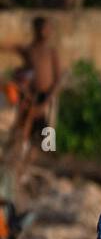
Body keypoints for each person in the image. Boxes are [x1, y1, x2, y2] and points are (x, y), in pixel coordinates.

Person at [3, 16, 61, 164]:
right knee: (25, 129)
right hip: (31, 97)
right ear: (36, 30)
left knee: (48, 131)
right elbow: (9, 47)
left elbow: (57, 79)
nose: (47, 32)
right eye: (44, 28)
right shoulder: (29, 50)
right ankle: (23, 161)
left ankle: (46, 162)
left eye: (48, 29)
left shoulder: (51, 52)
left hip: (48, 97)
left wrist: (47, 101)